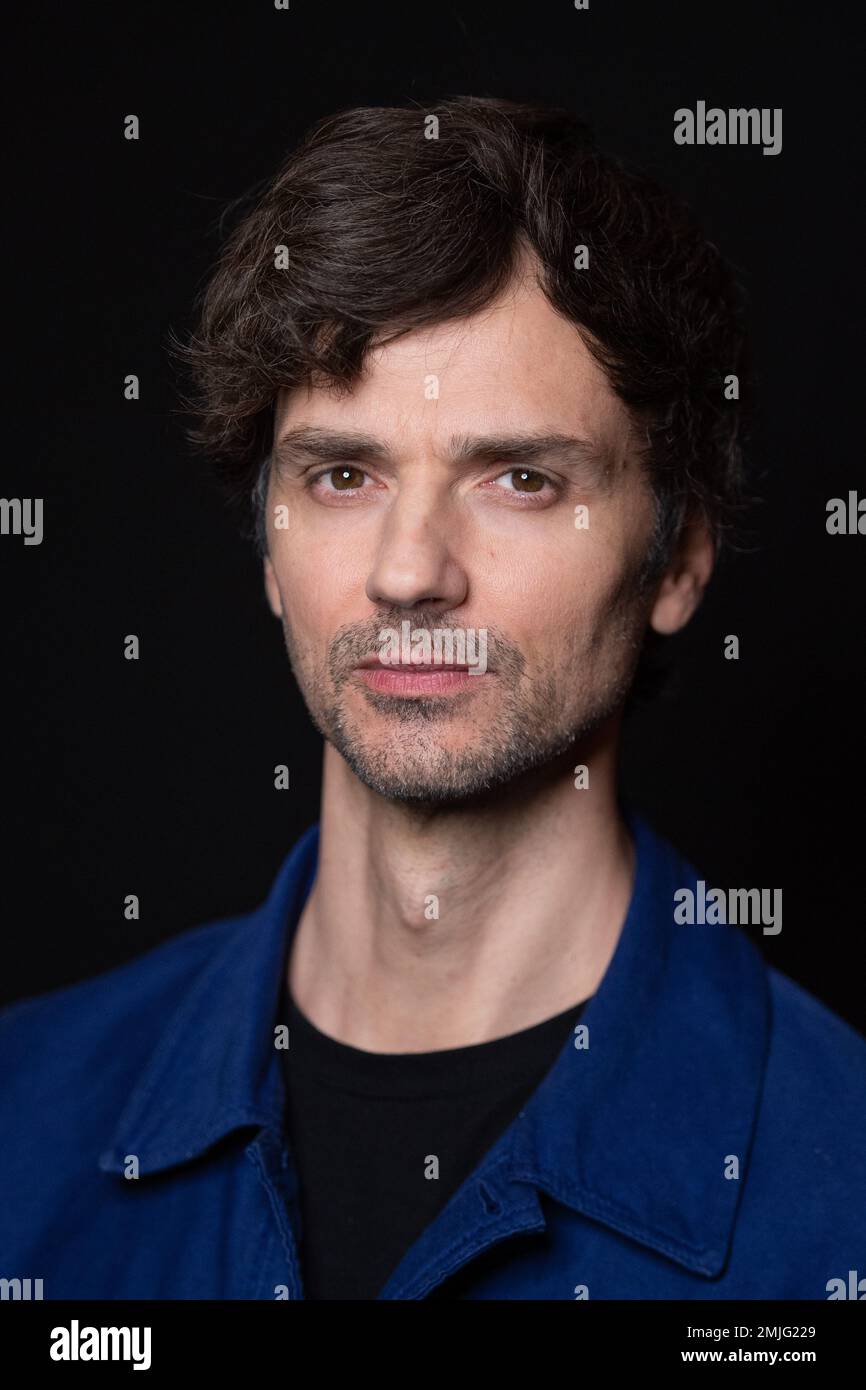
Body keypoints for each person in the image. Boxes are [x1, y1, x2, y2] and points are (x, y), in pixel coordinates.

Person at [2, 98, 864, 1301]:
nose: (409, 571)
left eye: (518, 478)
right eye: (343, 475)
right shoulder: (22, 1120)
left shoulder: (841, 1197)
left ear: (675, 560)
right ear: (267, 545)